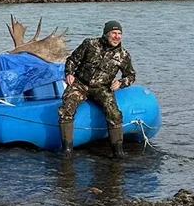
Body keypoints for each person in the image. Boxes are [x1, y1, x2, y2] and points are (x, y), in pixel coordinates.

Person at [58, 20, 136, 157]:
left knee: (114, 114)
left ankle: (118, 151)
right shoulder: (90, 44)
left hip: (102, 88)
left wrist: (121, 82)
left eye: (119, 34)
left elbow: (131, 75)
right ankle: (67, 149)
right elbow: (72, 60)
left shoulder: (123, 55)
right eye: (113, 33)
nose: (116, 36)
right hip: (80, 84)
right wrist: (69, 73)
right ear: (106, 34)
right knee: (66, 108)